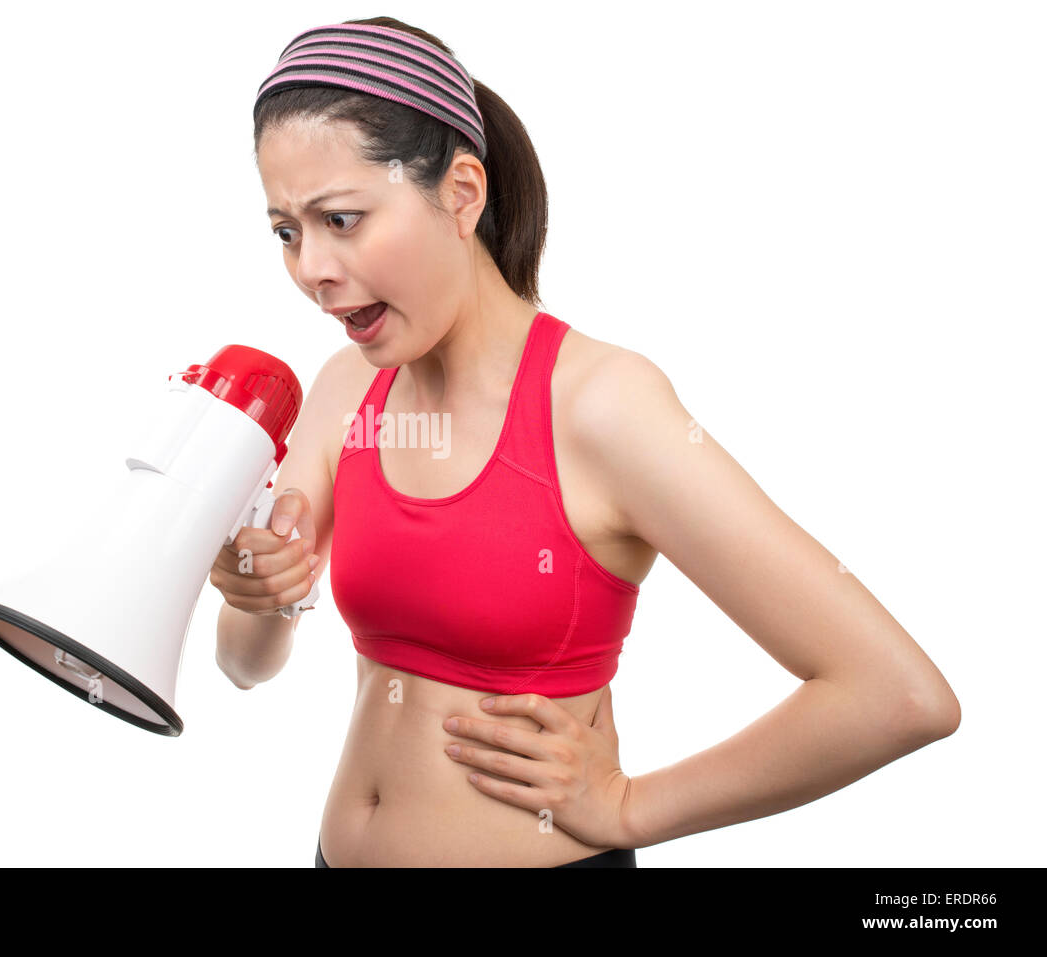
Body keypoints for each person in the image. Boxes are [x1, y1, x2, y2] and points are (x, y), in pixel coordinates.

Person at [210, 16, 961, 868]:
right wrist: (254, 594)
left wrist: (631, 807)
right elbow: (245, 667)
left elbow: (896, 693)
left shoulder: (603, 405)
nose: (311, 268)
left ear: (462, 191)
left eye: (340, 219)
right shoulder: (349, 388)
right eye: (285, 231)